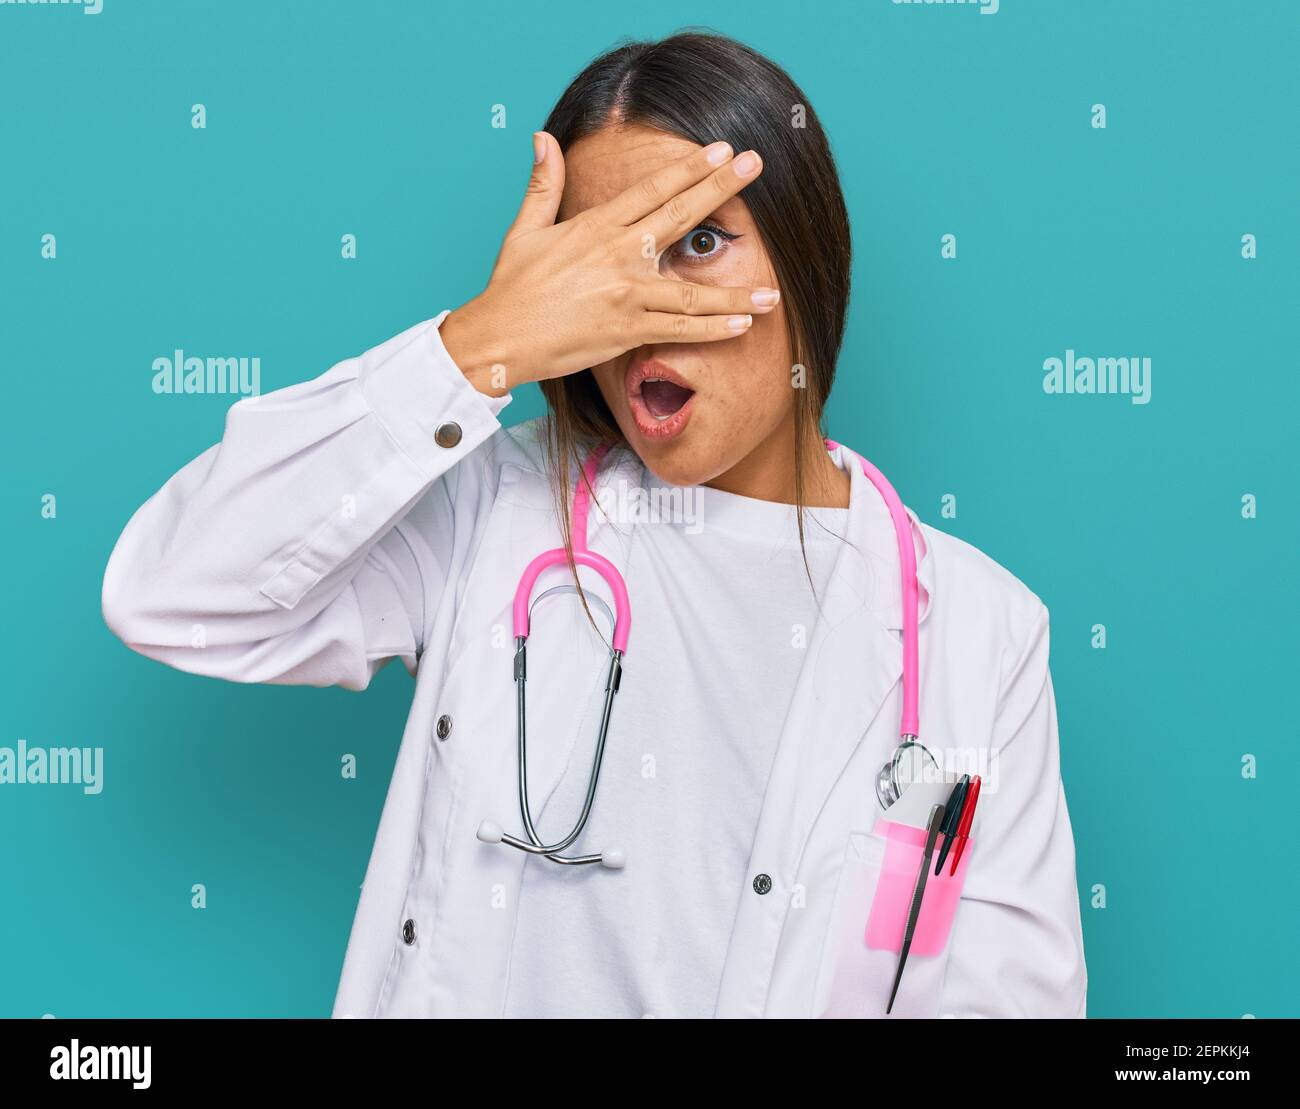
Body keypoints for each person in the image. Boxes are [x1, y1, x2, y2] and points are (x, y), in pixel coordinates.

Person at [102, 31, 1086, 1018]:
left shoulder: (971, 634)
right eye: (596, 261)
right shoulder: (485, 510)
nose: (639, 307)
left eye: (697, 241)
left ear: (803, 255)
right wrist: (480, 343)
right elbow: (174, 594)